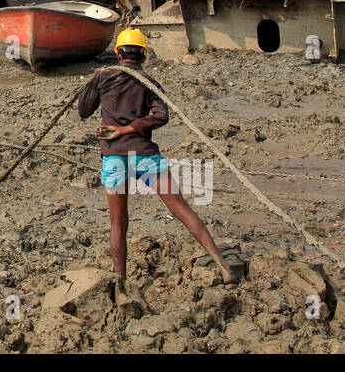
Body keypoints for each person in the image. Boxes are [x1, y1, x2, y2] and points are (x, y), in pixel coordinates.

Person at [77, 28, 236, 286]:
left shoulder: (104, 78)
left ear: (118, 54)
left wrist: (94, 82)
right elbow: (162, 115)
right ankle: (221, 262)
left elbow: (84, 110)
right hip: (145, 156)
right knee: (181, 208)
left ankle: (120, 282)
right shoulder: (149, 82)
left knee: (118, 223)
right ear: (144, 57)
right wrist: (131, 128)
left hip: (115, 158)